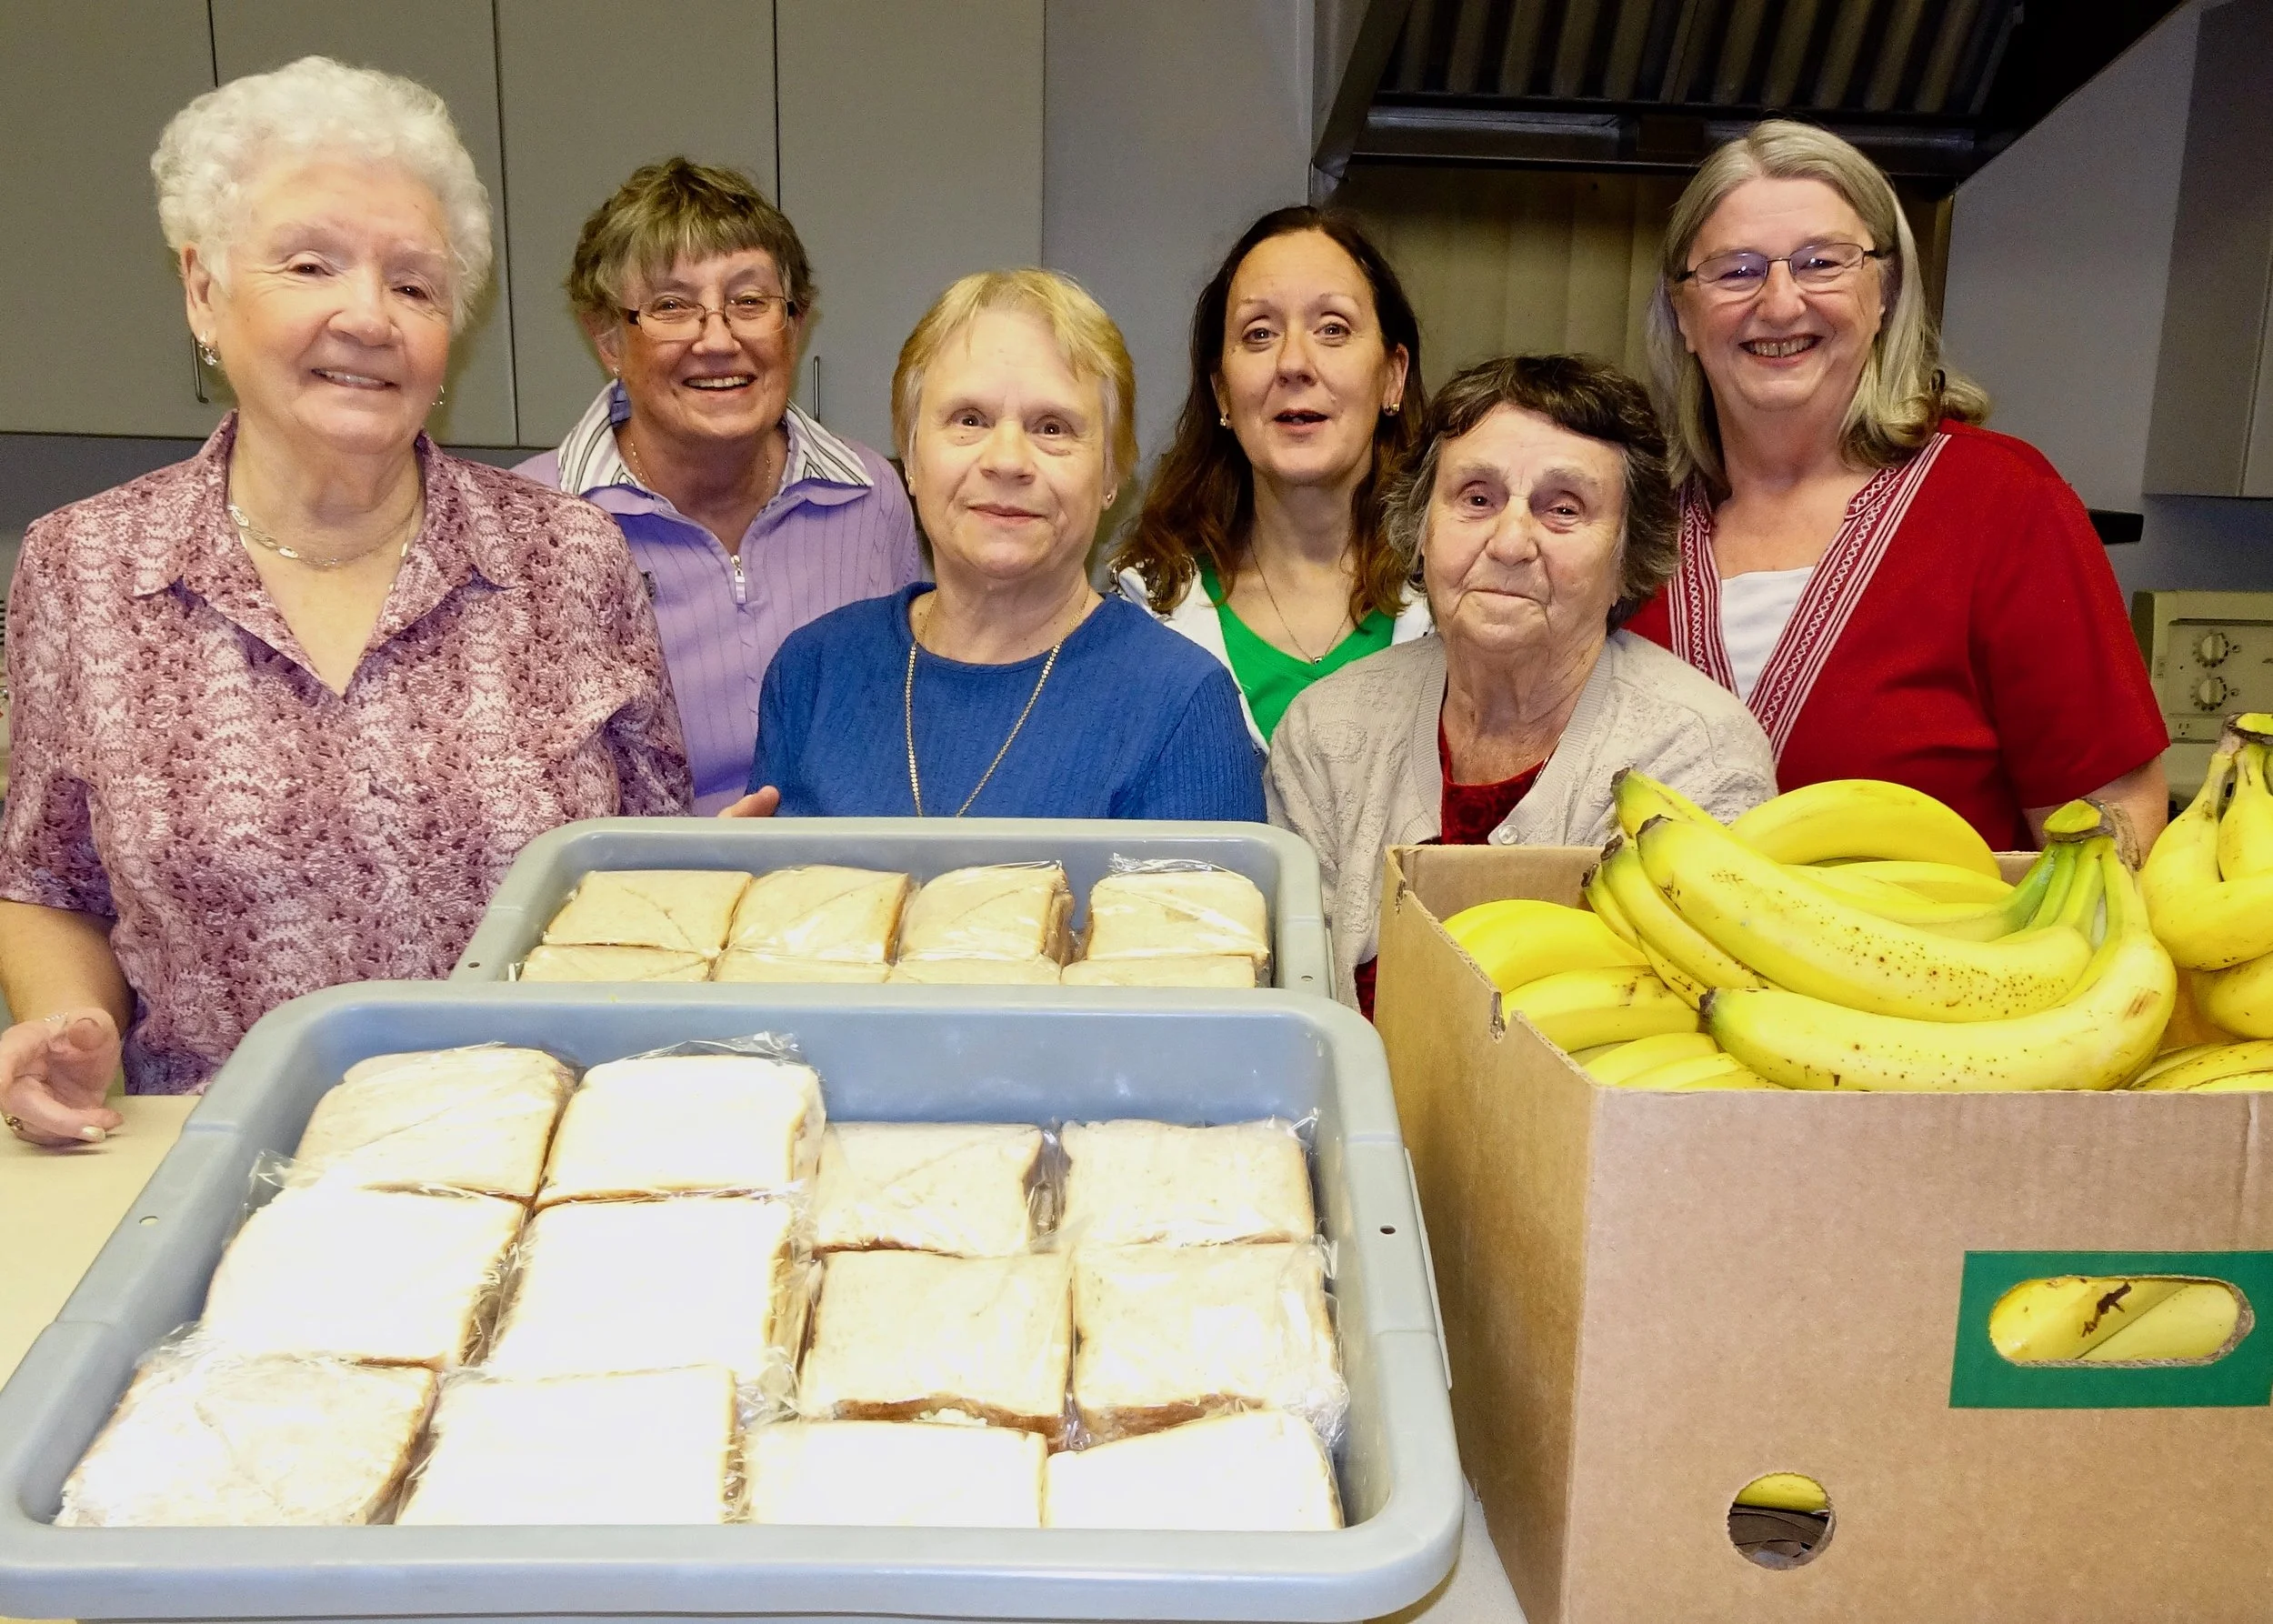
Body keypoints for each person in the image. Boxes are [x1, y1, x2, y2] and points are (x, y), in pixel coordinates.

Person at [0, 57, 689, 1142]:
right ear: (203, 289)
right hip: (218, 1161)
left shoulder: (567, 555)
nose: (367, 316)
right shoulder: (83, 567)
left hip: (536, 1152)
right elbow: (47, 878)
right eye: (310, 264)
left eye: (413, 284)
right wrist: (69, 1022)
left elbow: (647, 867)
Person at [1626, 119, 2167, 851]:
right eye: (1736, 269)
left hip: (1937, 963)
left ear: (1884, 293)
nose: (1780, 304)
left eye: (1822, 263)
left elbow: (2113, 817)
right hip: (1640, 961)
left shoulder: (2003, 502)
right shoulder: (1625, 513)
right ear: (1683, 312)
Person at [1270, 355, 1777, 1012]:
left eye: (1563, 509)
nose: (1510, 542)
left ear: (1631, 554)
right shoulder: (1327, 734)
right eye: (1476, 498)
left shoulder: (1698, 757)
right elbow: (1293, 1011)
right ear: (1421, 531)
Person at [727, 270, 1263, 821]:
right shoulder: (812, 673)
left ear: (1112, 474)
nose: (1007, 460)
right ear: (909, 457)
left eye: (1052, 428)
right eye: (970, 420)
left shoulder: (1180, 702)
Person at [518, 158, 924, 814]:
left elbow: (904, 726)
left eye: (749, 301)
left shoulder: (871, 495)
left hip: (840, 889)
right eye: (672, 306)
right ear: (608, 339)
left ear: (794, 323)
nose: (718, 339)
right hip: (635, 899)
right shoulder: (527, 525)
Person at [1115, 206, 1431, 750]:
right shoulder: (1143, 615)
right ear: (1221, 392)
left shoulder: (1461, 600)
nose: (1292, 363)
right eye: (1259, 334)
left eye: (1332, 329)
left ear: (1393, 377)